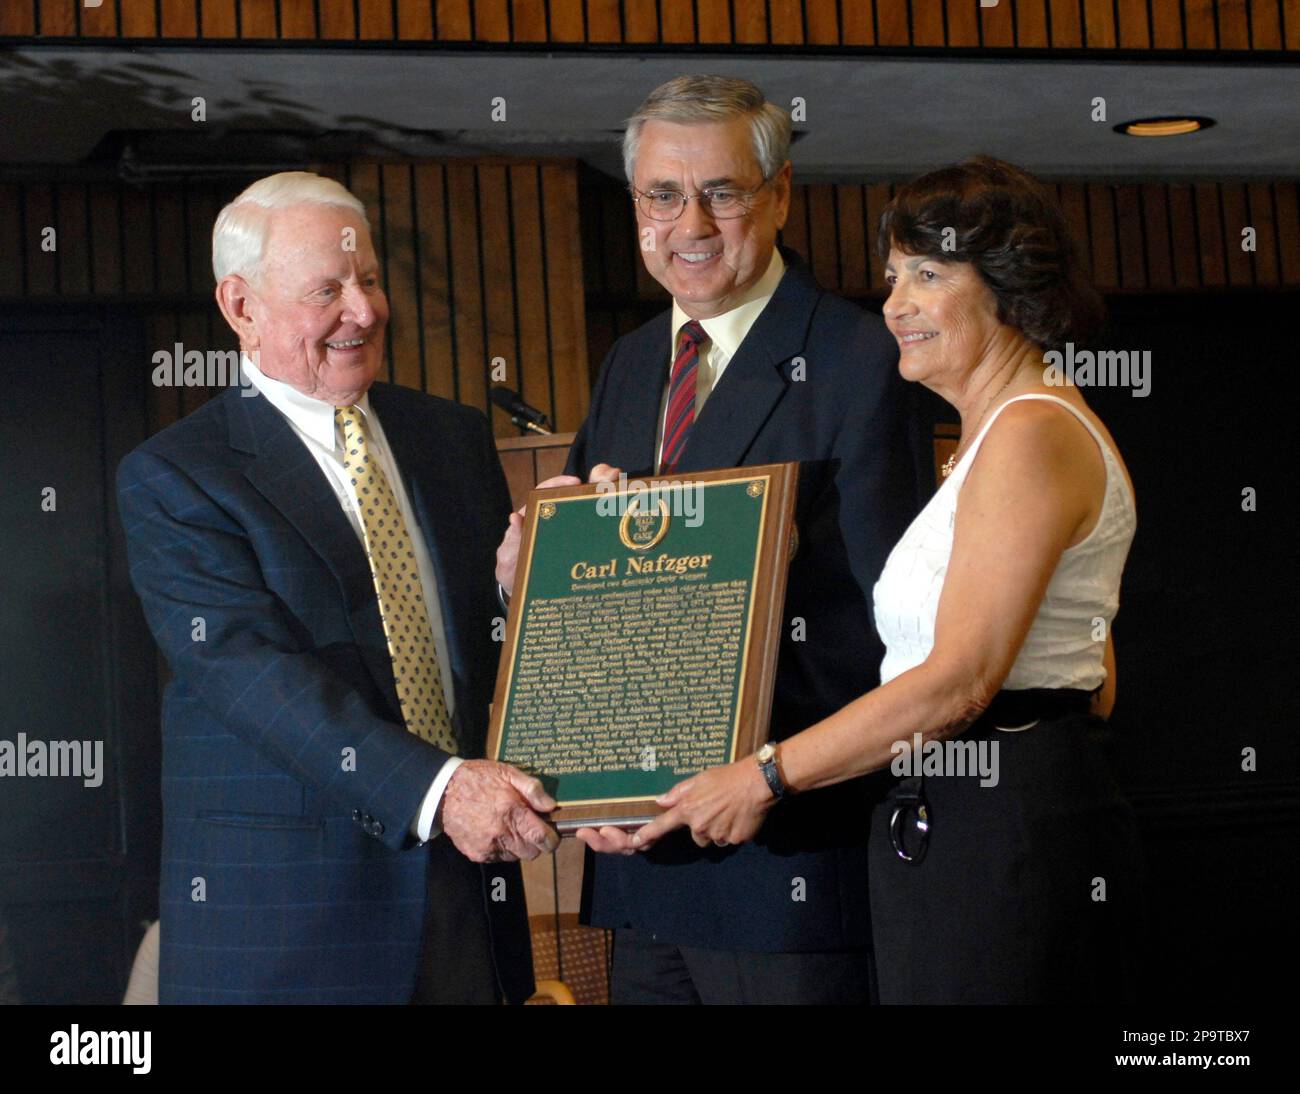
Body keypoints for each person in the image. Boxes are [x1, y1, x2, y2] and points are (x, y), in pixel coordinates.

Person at [635, 156, 1147, 1004]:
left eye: (927, 274)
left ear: (1007, 287)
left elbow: (961, 680)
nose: (895, 305)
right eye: (891, 277)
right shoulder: (992, 439)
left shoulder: (1030, 432)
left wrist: (764, 774)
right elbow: (1095, 673)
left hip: (1005, 826)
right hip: (971, 814)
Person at [495, 76, 929, 1004]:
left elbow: (892, 633)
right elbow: (598, 599)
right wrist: (524, 578)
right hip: (634, 872)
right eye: (661, 194)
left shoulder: (859, 359)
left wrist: (726, 773)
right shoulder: (630, 362)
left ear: (777, 196)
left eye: (721, 192)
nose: (689, 221)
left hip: (785, 874)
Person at [117, 172, 558, 1004]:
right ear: (241, 307)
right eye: (328, 290)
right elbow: (248, 673)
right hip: (289, 929)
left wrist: (529, 589)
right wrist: (443, 790)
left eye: (371, 280)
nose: (364, 311)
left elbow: (481, 650)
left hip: (462, 904)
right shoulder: (178, 476)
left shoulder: (452, 438)